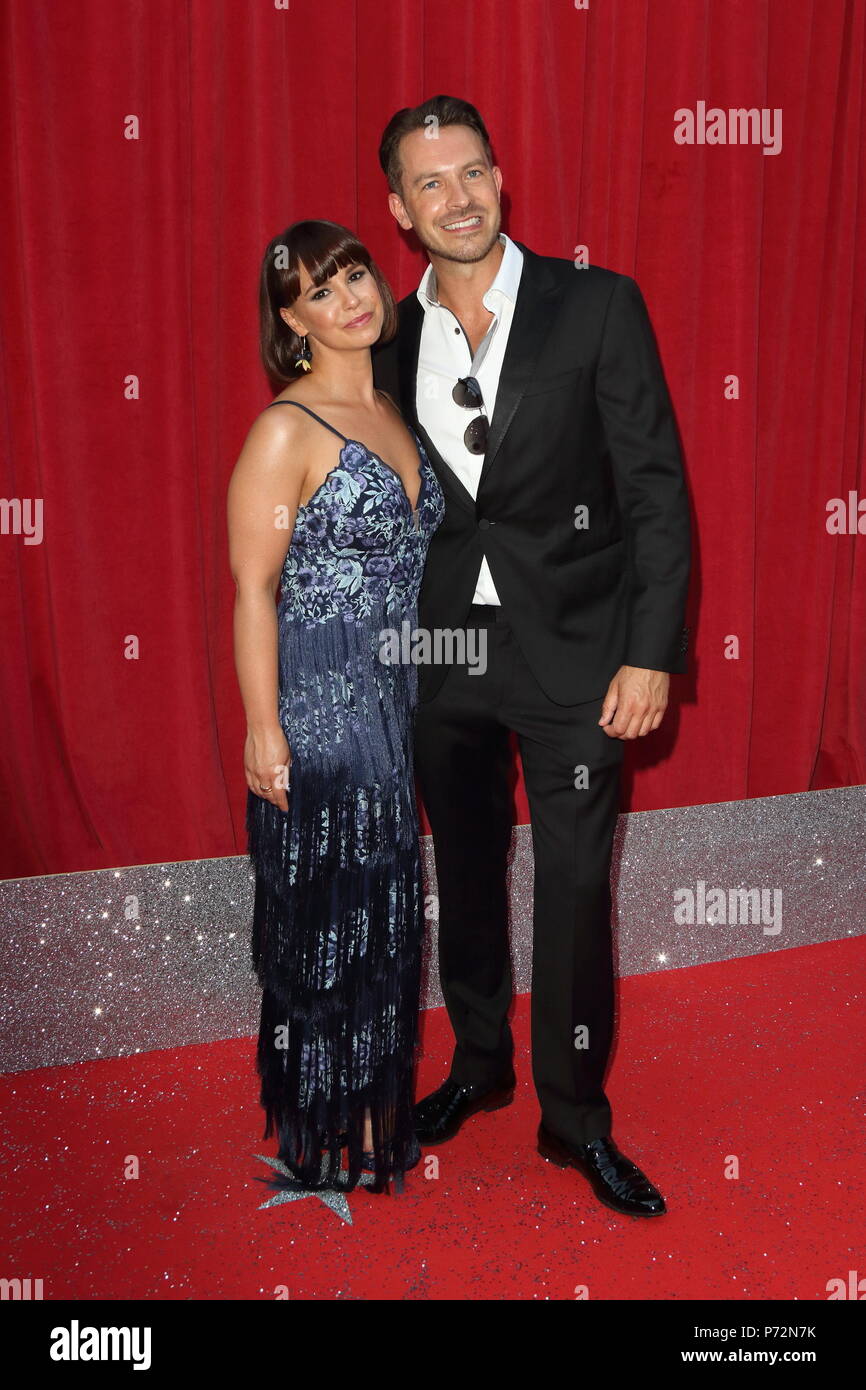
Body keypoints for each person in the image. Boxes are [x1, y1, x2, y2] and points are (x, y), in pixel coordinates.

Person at [372, 96, 691, 1217]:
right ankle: (475, 1066)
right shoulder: (385, 337)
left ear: (500, 178)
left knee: (568, 888)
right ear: (399, 211)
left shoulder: (595, 305)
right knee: (458, 870)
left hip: (577, 650)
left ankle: (573, 1119)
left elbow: (654, 491)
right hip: (440, 646)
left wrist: (648, 654)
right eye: (428, 183)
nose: (455, 198)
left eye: (471, 173)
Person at [227, 219, 444, 1194]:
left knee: (388, 910)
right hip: (319, 703)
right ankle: (320, 1124)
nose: (351, 296)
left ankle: (366, 1105)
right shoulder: (284, 427)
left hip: (394, 702)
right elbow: (250, 588)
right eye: (320, 290)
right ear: (291, 319)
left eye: (354, 272)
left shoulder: (394, 409)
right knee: (326, 909)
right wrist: (262, 726)